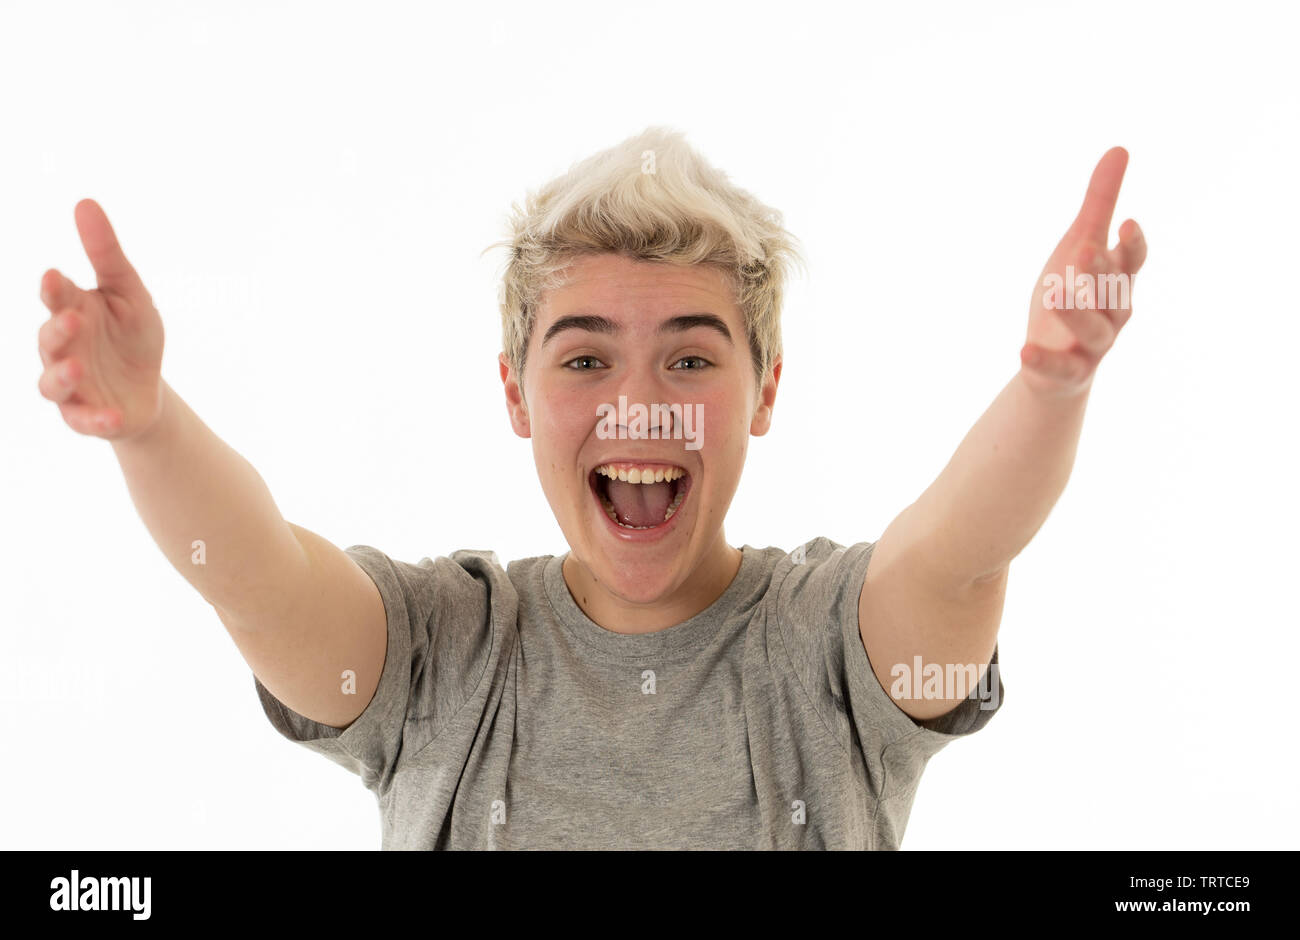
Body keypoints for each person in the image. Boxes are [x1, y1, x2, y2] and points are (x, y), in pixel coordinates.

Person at [34, 126, 1146, 849]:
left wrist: (1050, 388)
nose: (638, 405)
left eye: (693, 356)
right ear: (516, 395)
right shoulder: (440, 650)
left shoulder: (828, 646)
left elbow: (959, 558)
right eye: (583, 358)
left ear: (765, 391)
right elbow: (261, 579)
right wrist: (150, 429)